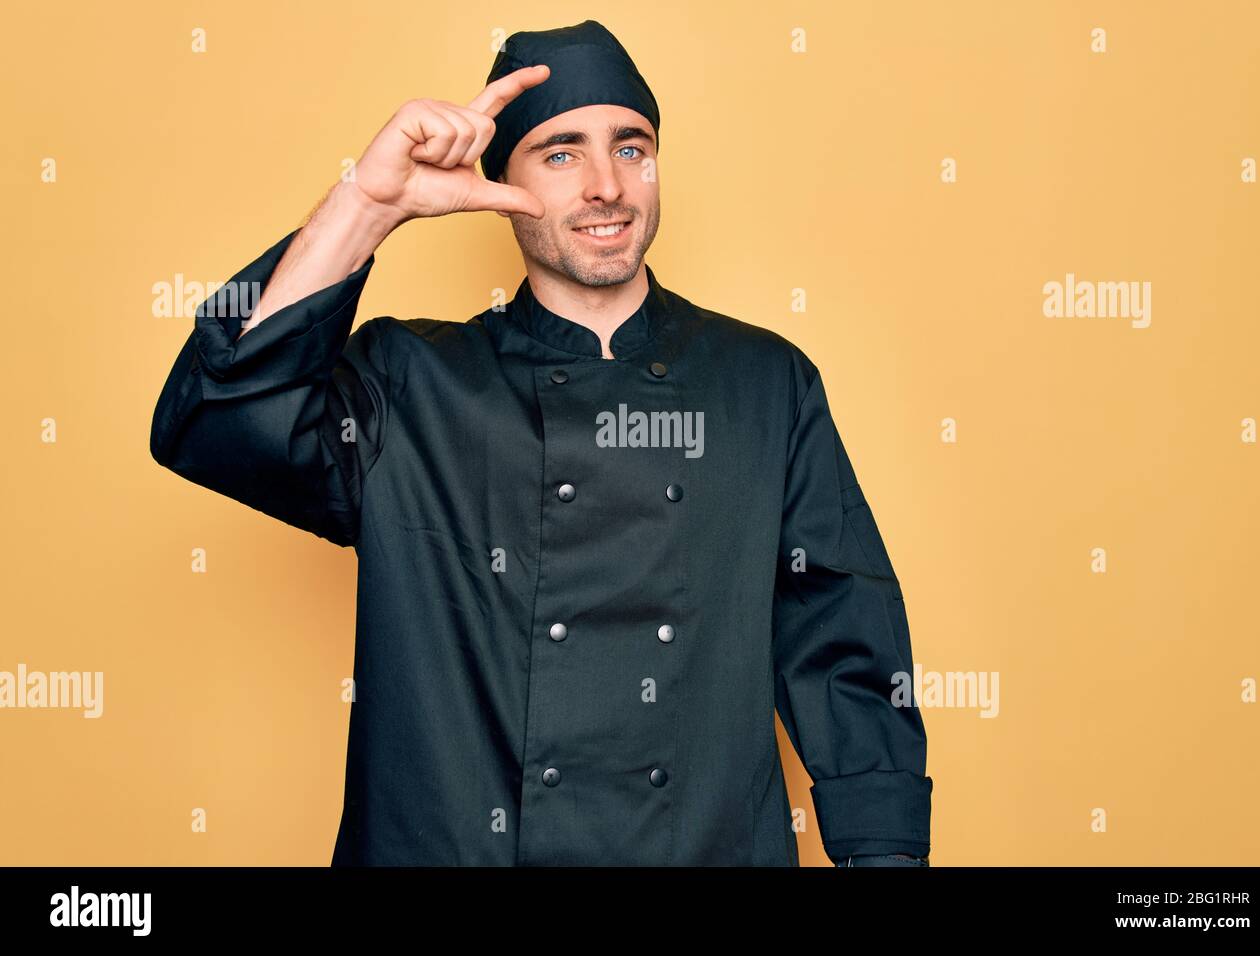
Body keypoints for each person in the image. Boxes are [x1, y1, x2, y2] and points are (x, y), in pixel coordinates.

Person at [149, 19, 932, 867]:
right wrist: (366, 206)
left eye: (631, 147)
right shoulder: (410, 381)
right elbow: (221, 419)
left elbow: (843, 640)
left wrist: (882, 853)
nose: (606, 186)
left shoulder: (765, 383)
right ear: (500, 183)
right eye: (561, 153)